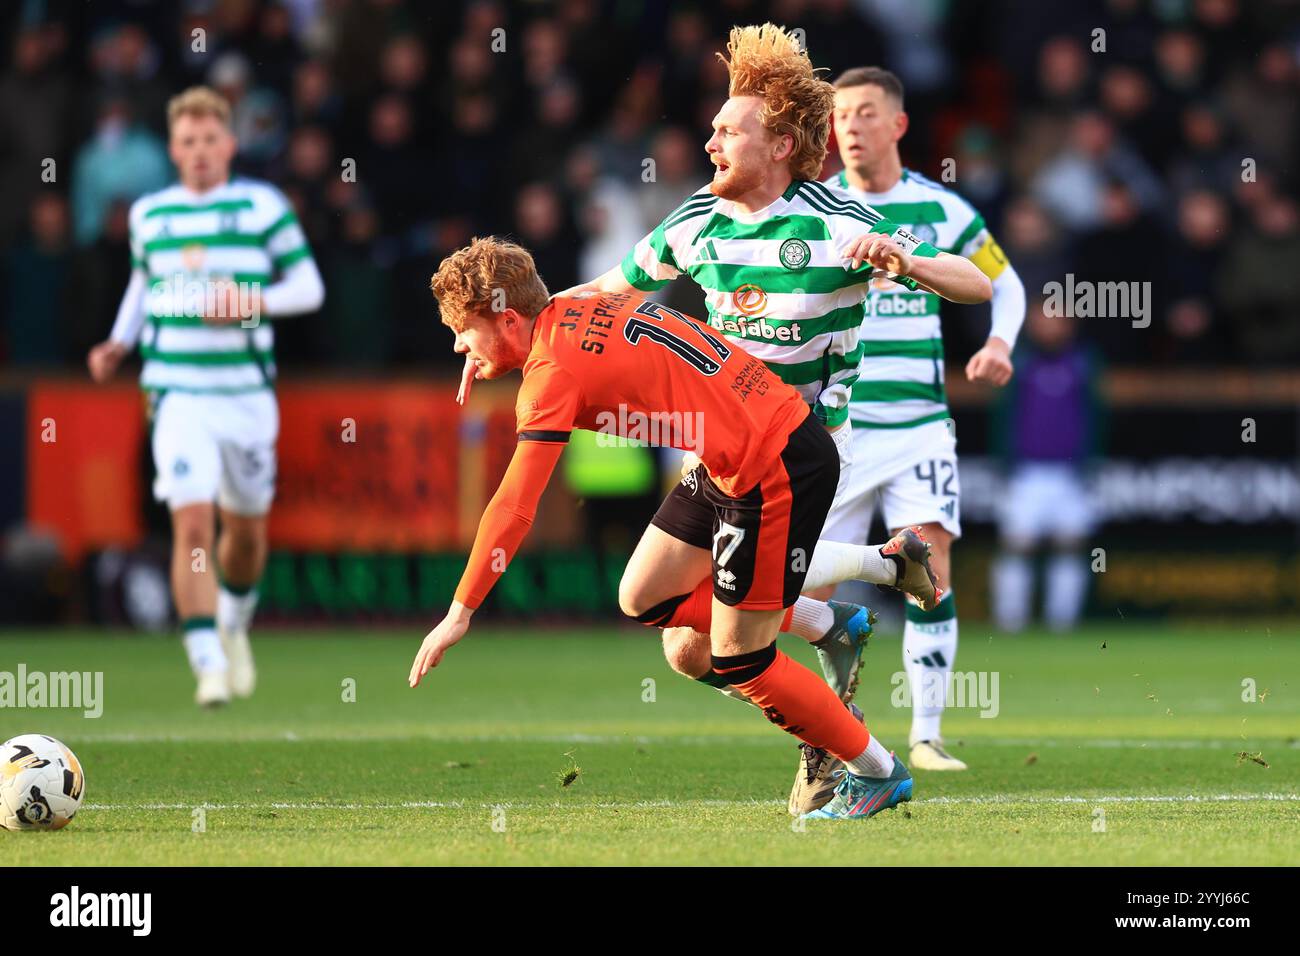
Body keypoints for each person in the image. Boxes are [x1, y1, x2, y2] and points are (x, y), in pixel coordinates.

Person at [530, 25, 990, 814]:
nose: (708, 137)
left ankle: (843, 734)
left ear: (780, 144)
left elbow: (973, 285)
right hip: (720, 449)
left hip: (808, 448)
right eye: (711, 125)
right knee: (681, 643)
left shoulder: (838, 223)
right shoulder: (695, 221)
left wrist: (907, 260)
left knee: (745, 625)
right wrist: (514, 331)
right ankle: (847, 616)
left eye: (728, 128)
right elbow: (602, 296)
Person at [414, 235, 916, 820]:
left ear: (505, 317)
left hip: (773, 462)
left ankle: (877, 770)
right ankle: (826, 621)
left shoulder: (550, 373)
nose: (458, 346)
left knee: (738, 660)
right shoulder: (572, 310)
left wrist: (460, 611)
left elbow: (514, 505)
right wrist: (495, 346)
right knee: (644, 595)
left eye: (463, 330)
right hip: (730, 453)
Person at [810, 66, 1027, 776]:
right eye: (841, 115)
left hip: (919, 426)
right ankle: (832, 729)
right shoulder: (816, 210)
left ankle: (927, 735)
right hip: (837, 427)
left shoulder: (941, 208)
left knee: (931, 565)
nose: (851, 126)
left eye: (866, 113)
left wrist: (998, 341)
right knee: (803, 585)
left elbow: (1005, 281)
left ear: (898, 125)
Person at [86, 86, 324, 706]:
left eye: (209, 140)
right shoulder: (150, 215)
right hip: (176, 390)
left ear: (229, 145)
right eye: (187, 141)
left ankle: (234, 622)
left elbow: (308, 287)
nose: (199, 152)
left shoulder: (260, 207)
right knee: (191, 524)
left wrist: (251, 302)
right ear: (172, 148)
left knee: (244, 535)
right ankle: (206, 662)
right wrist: (118, 341)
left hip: (244, 394)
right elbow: (144, 282)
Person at [990, 302, 1104, 633]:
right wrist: (1005, 462)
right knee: (1017, 544)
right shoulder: (1018, 362)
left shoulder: (1085, 363)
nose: (1050, 326)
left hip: (1071, 475)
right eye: (1043, 319)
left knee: (1069, 545)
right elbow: (1004, 416)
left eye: (1058, 319)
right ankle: (1010, 622)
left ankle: (1062, 623)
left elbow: (1097, 416)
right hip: (1026, 473)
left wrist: (1090, 462)